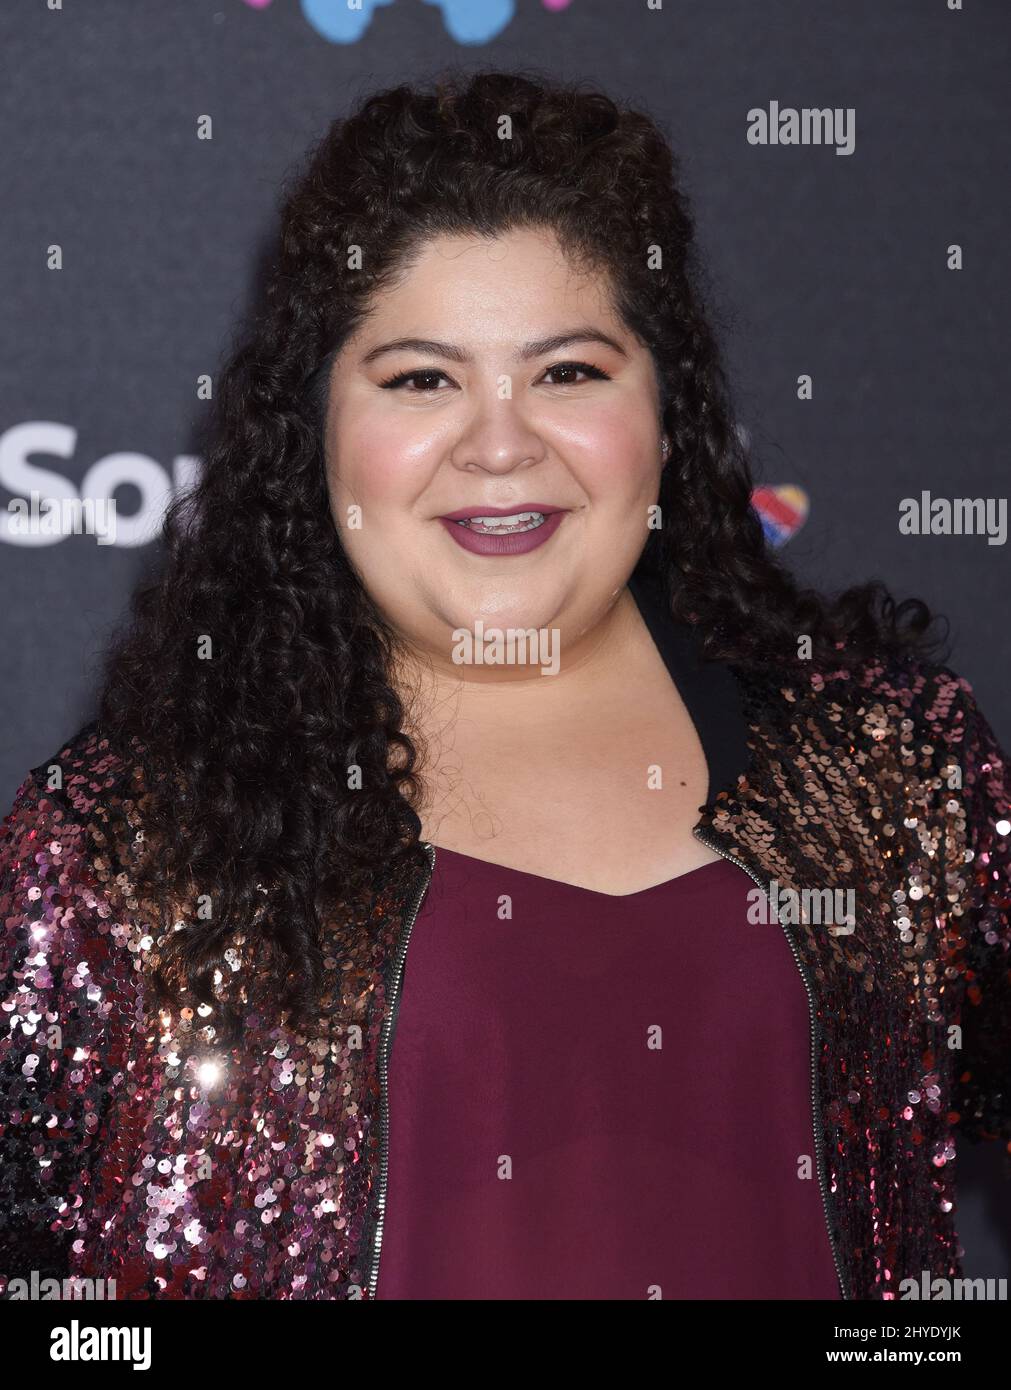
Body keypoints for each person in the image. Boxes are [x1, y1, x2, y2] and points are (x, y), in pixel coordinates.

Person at [0, 69, 1007, 1302]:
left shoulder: (899, 770)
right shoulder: (120, 846)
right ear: (312, 429)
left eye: (569, 373)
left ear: (668, 408)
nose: (499, 442)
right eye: (422, 378)